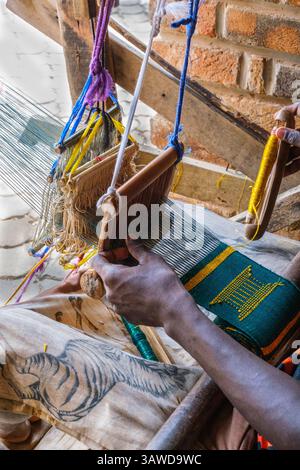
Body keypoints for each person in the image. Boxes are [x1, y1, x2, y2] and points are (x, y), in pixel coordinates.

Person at [0, 105, 299, 450]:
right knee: (148, 236)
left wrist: (175, 311)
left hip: (237, 420)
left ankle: (20, 435)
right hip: (281, 349)